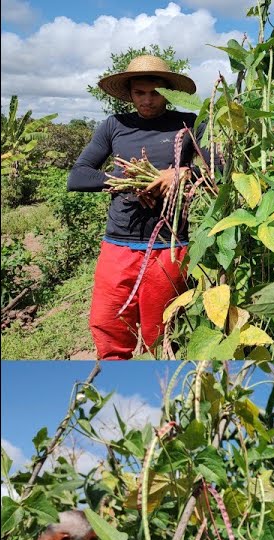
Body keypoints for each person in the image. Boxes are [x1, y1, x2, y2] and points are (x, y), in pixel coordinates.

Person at [68, 55, 204, 361]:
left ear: (168, 92)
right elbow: (78, 175)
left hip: (169, 247)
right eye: (139, 93)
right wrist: (128, 182)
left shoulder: (189, 124)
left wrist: (181, 173)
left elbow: (219, 167)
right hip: (118, 245)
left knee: (164, 336)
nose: (147, 101)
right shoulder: (115, 125)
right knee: (108, 326)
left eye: (155, 93)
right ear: (129, 93)